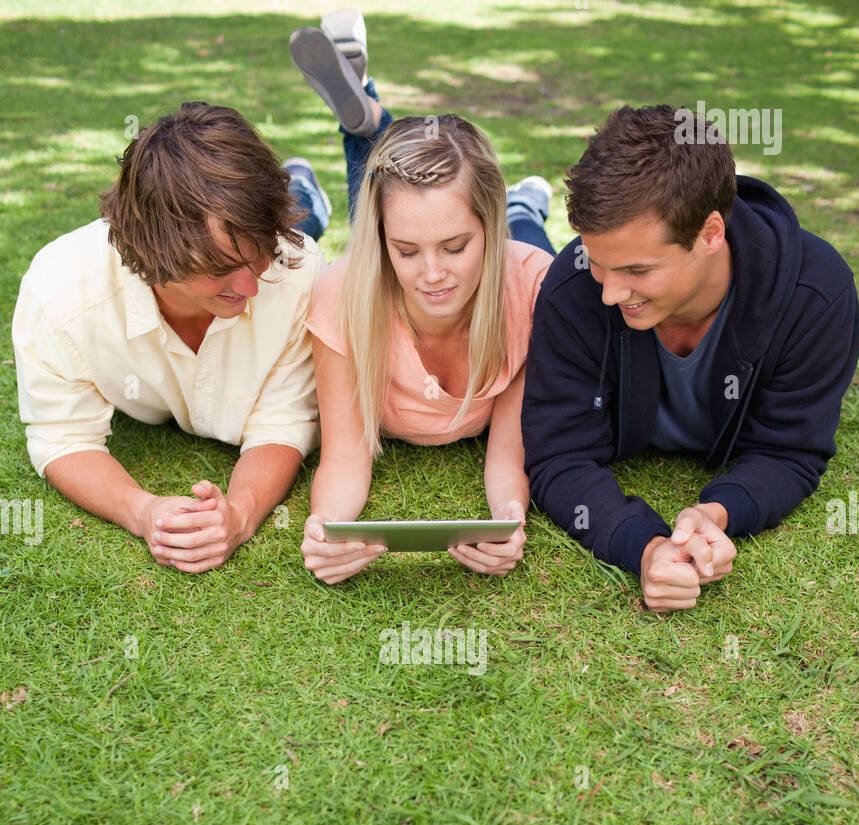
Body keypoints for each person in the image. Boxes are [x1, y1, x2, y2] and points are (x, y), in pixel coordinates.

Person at [521, 104, 859, 611]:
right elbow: (558, 454)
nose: (611, 293)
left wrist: (720, 511)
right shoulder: (574, 287)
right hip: (542, 272)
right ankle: (522, 213)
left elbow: (790, 452)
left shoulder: (817, 295)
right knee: (528, 257)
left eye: (637, 269)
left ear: (709, 234)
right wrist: (645, 546)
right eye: (600, 264)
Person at [286, 8, 556, 584]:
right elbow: (344, 453)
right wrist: (326, 528)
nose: (431, 274)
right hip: (414, 246)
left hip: (516, 253)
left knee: (531, 244)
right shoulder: (344, 291)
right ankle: (320, 172)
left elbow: (507, 452)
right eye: (405, 251)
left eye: (455, 245)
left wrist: (509, 521)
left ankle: (524, 211)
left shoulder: (531, 290)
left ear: (485, 228)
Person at [12, 102, 323, 574]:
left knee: (301, 235)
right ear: (155, 259)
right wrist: (143, 511)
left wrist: (239, 514)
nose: (250, 287)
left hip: (297, 243)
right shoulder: (59, 293)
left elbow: (284, 422)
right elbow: (62, 437)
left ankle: (306, 199)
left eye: (257, 255)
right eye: (218, 272)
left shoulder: (296, 271)